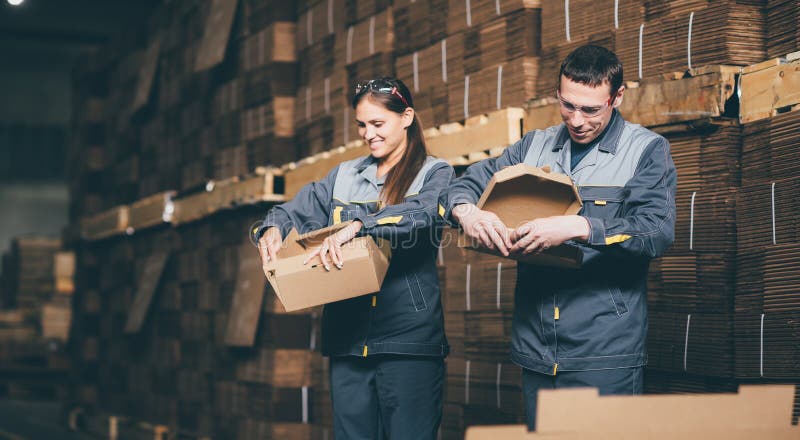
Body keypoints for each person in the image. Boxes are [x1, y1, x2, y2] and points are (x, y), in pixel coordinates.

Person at [440, 45, 677, 430]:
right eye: (567, 105)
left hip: (604, 349)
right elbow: (463, 184)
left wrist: (580, 227)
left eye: (591, 109)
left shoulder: (646, 150)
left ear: (617, 97)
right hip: (536, 347)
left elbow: (655, 230)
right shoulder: (532, 147)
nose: (577, 120)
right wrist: (466, 211)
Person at [253, 77, 453, 439]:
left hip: (408, 344)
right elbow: (292, 211)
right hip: (348, 342)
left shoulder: (434, 172)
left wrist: (360, 226)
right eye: (361, 125)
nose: (368, 134)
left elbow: (422, 214)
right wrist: (272, 228)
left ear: (407, 117)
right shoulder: (344, 176)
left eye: (377, 123)